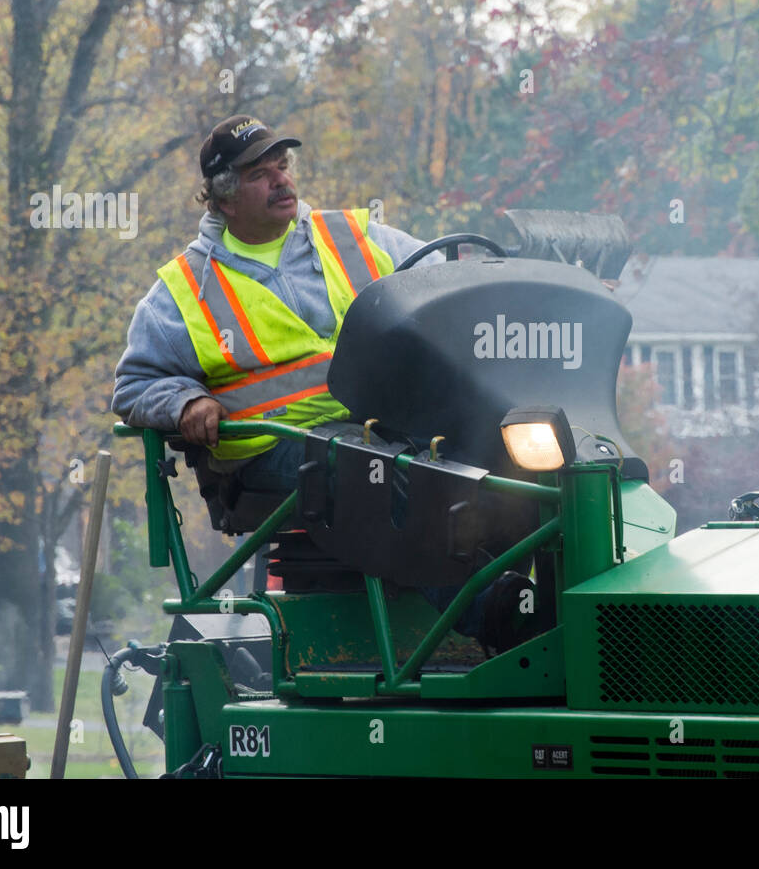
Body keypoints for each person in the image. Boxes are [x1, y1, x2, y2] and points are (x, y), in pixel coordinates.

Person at [111, 114, 527, 650]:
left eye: (283, 165)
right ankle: (492, 611)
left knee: (507, 440)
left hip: (380, 432)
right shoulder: (182, 289)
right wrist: (185, 401)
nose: (282, 180)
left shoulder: (354, 239)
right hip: (272, 455)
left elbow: (446, 277)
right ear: (224, 197)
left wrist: (509, 281)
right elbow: (133, 385)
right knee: (363, 470)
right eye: (261, 173)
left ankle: (546, 590)